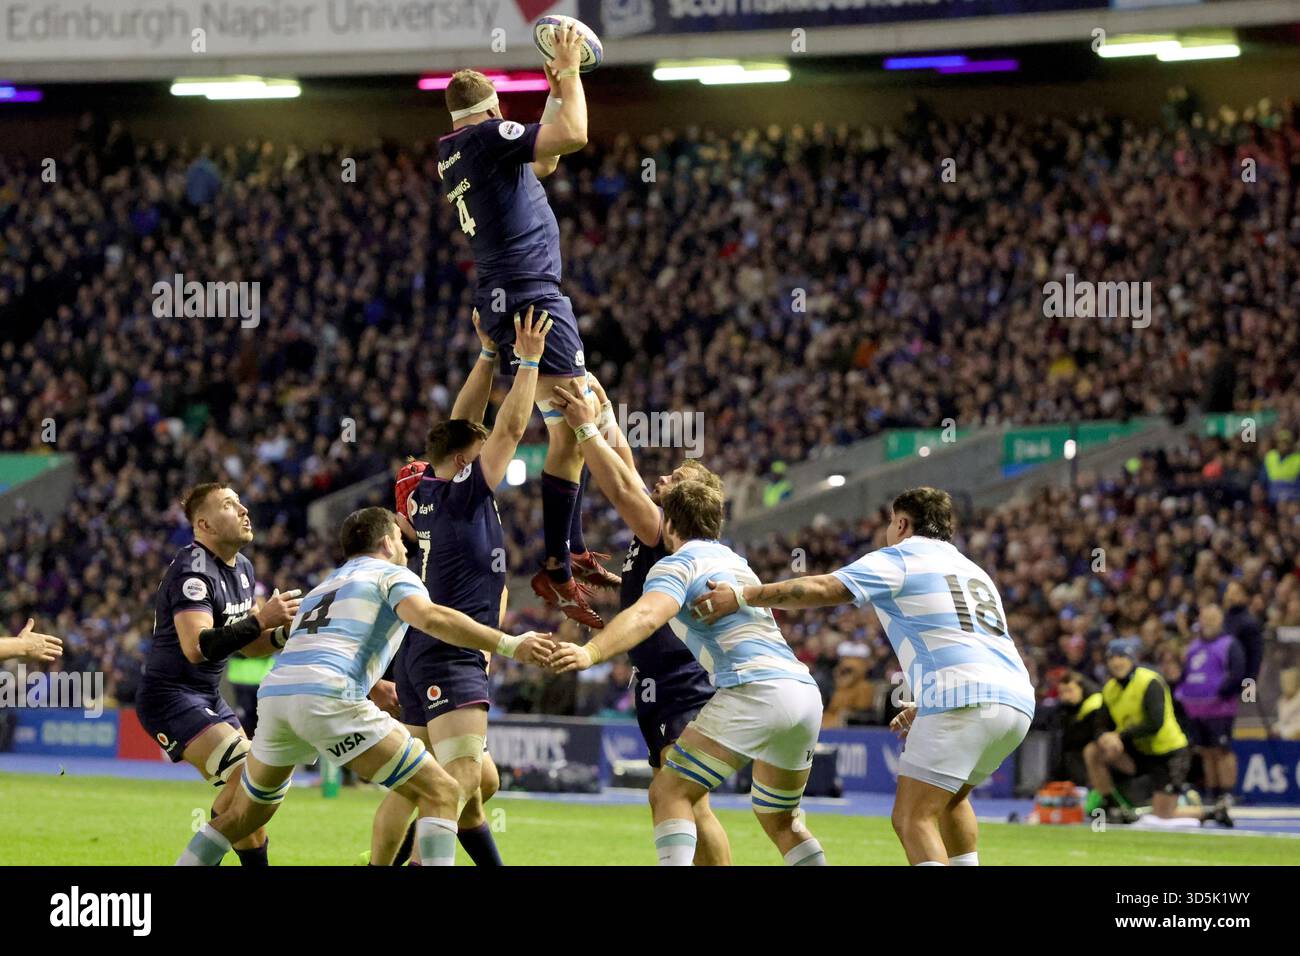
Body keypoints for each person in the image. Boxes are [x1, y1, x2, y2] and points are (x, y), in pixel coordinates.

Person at [176, 507, 553, 866]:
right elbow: (431, 617)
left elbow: (320, 644)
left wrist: (374, 688)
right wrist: (508, 643)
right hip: (329, 697)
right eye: (401, 543)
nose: (406, 550)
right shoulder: (390, 573)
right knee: (442, 792)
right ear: (387, 542)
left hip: (277, 698)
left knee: (240, 816)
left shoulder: (324, 586)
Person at [692, 486, 1034, 866]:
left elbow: (823, 587)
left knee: (912, 817)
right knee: (951, 800)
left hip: (964, 699)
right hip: (1015, 700)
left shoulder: (901, 558)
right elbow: (971, 642)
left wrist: (741, 596)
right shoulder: (975, 571)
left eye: (891, 521)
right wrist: (929, 703)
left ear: (902, 523)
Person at [547, 479, 827, 866]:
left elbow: (647, 615)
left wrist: (590, 652)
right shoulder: (735, 561)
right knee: (783, 820)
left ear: (669, 525)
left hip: (754, 689)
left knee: (668, 792)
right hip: (803, 693)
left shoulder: (678, 564)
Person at [438, 23, 616, 629]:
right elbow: (574, 135)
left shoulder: (457, 149)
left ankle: (564, 557)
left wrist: (551, 91)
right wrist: (568, 70)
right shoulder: (489, 139)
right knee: (587, 412)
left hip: (509, 293)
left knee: (570, 424)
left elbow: (544, 158)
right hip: (531, 293)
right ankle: (559, 564)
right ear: (490, 111)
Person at [371, 306, 548, 867]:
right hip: (453, 650)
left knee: (451, 783)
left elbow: (460, 423)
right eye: (475, 451)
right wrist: (527, 362)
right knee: (461, 781)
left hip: (422, 651)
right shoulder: (463, 494)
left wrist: (487, 355)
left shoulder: (427, 492)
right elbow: (510, 429)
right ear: (462, 461)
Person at [547, 380, 730, 864]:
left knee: (680, 794)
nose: (660, 480)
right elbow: (624, 461)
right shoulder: (655, 525)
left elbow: (621, 483)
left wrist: (585, 427)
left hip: (681, 678)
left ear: (683, 500)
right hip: (657, 677)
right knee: (677, 794)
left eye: (672, 478)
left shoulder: (663, 530)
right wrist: (603, 408)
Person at [137, 484, 302, 866]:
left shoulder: (243, 568)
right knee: (254, 774)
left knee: (250, 801)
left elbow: (251, 645)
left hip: (208, 697)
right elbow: (197, 647)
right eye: (230, 505)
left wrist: (283, 631)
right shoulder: (192, 571)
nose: (244, 509)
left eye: (241, 501)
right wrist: (262, 619)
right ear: (204, 524)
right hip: (170, 697)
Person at [1084, 638, 1232, 827]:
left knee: (1162, 816)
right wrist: (1104, 737)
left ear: (1132, 659)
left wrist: (1119, 736)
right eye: (1112, 657)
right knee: (1093, 750)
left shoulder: (1150, 681)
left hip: (1169, 753)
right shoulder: (1110, 689)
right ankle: (1111, 804)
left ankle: (1210, 813)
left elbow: (1155, 723)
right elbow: (1099, 724)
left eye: (1122, 656)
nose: (1116, 662)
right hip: (1141, 753)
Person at [1175, 605, 1245, 804]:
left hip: (1219, 709)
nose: (1207, 622)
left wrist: (1221, 692)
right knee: (1206, 752)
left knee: (1222, 751)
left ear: (1220, 620)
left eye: (1212, 618)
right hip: (1195, 710)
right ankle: (1212, 792)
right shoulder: (1193, 647)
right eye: (1204, 618)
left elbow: (1237, 672)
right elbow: (1184, 674)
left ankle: (1227, 792)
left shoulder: (1229, 644)